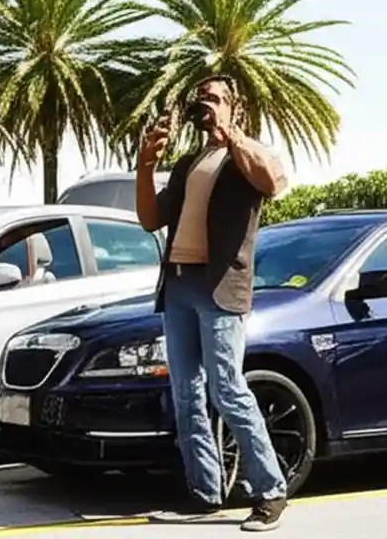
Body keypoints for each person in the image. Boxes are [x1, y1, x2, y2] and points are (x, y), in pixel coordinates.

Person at [135, 76, 291, 532]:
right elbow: (150, 219)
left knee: (226, 388)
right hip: (180, 285)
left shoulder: (245, 156)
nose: (205, 105)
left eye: (215, 98)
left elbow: (274, 180)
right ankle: (204, 493)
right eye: (200, 99)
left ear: (234, 107)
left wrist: (231, 134)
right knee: (186, 392)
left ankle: (270, 491)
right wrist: (146, 164)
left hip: (221, 287)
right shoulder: (188, 163)